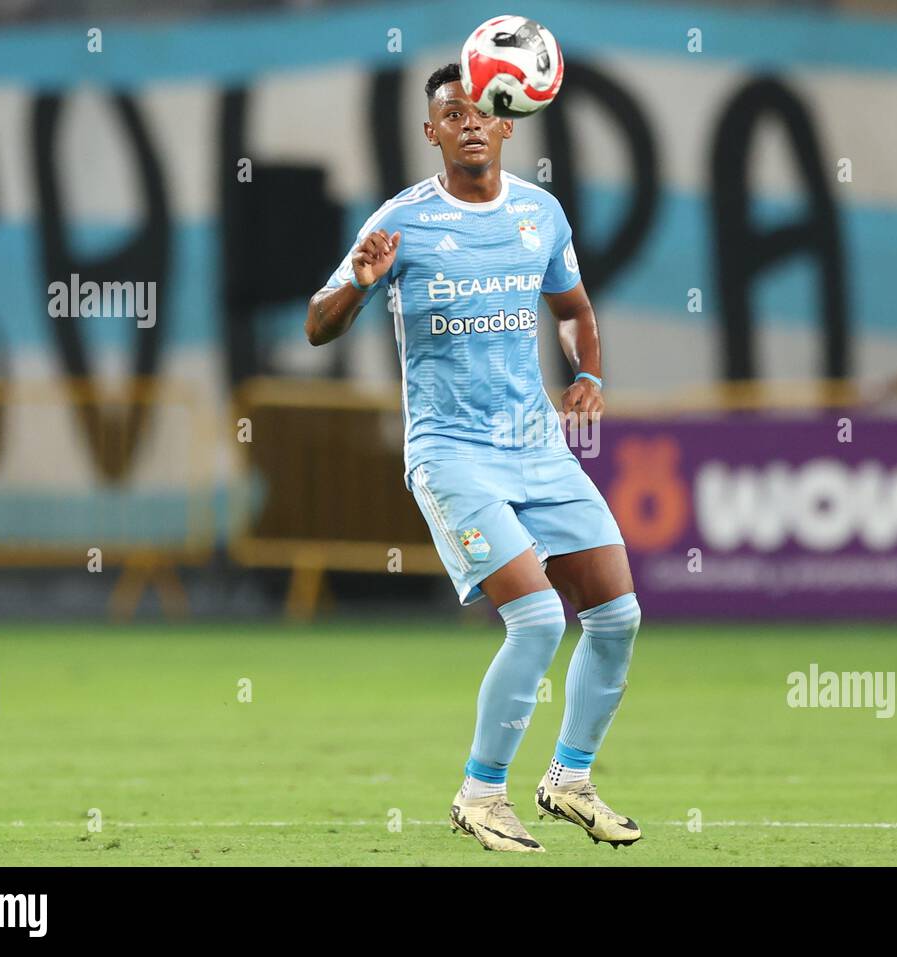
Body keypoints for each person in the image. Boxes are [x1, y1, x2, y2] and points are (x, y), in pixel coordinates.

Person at [305, 63, 641, 852]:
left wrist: (588, 373)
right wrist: (358, 282)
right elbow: (318, 326)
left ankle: (570, 778)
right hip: (452, 454)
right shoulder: (399, 222)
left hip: (537, 446)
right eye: (449, 115)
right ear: (432, 132)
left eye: (480, 113)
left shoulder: (540, 213)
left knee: (618, 617)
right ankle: (481, 793)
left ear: (508, 122)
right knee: (536, 619)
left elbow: (573, 310)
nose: (468, 124)